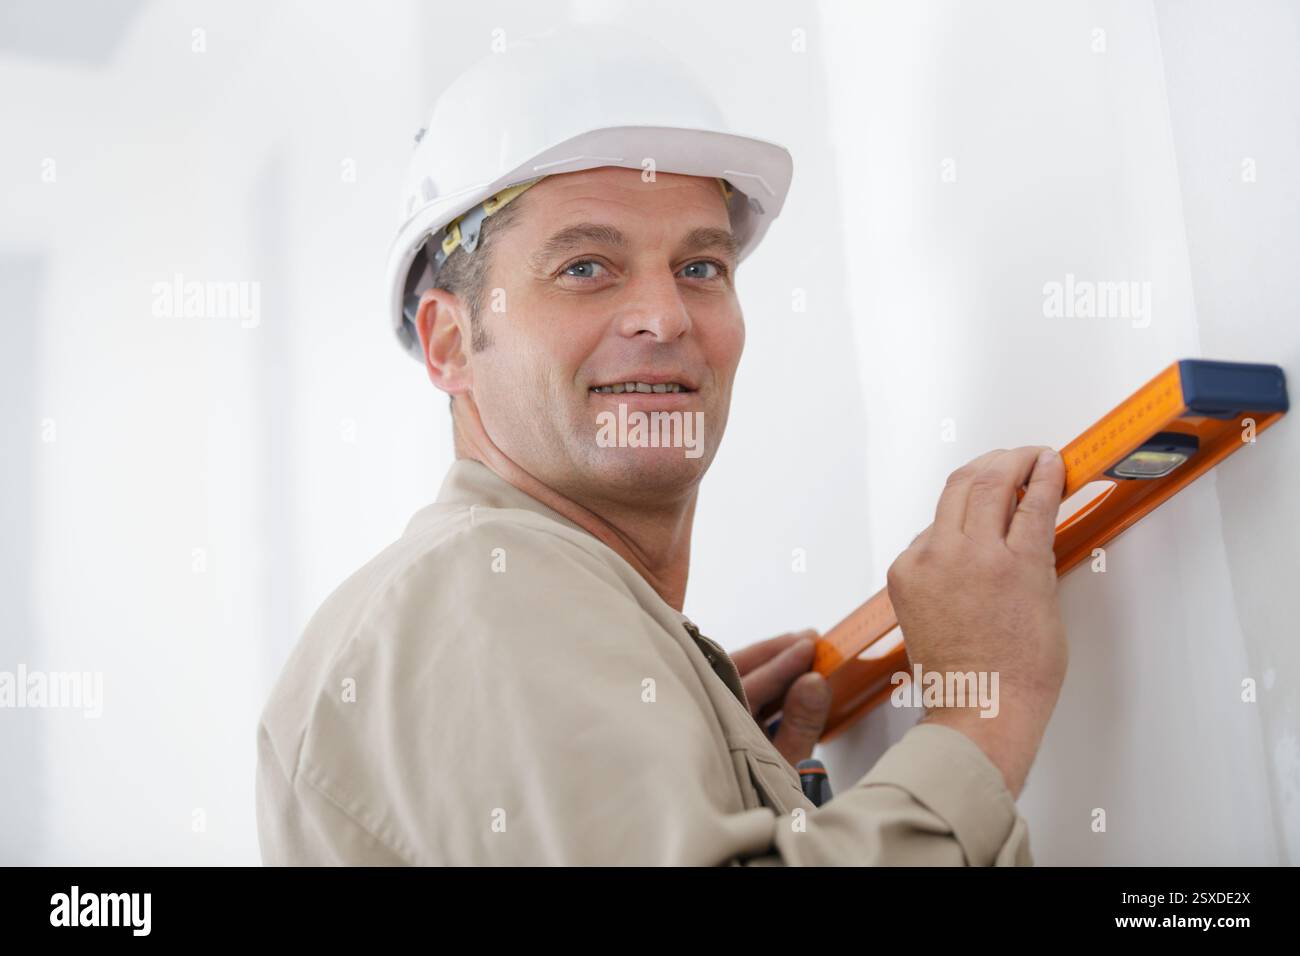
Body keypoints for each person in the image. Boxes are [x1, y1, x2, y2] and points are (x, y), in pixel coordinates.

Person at [255, 27, 1067, 866]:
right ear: (451, 342)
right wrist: (983, 717)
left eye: (701, 268)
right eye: (585, 268)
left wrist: (716, 775)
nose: (666, 316)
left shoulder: (492, 611)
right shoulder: (480, 587)